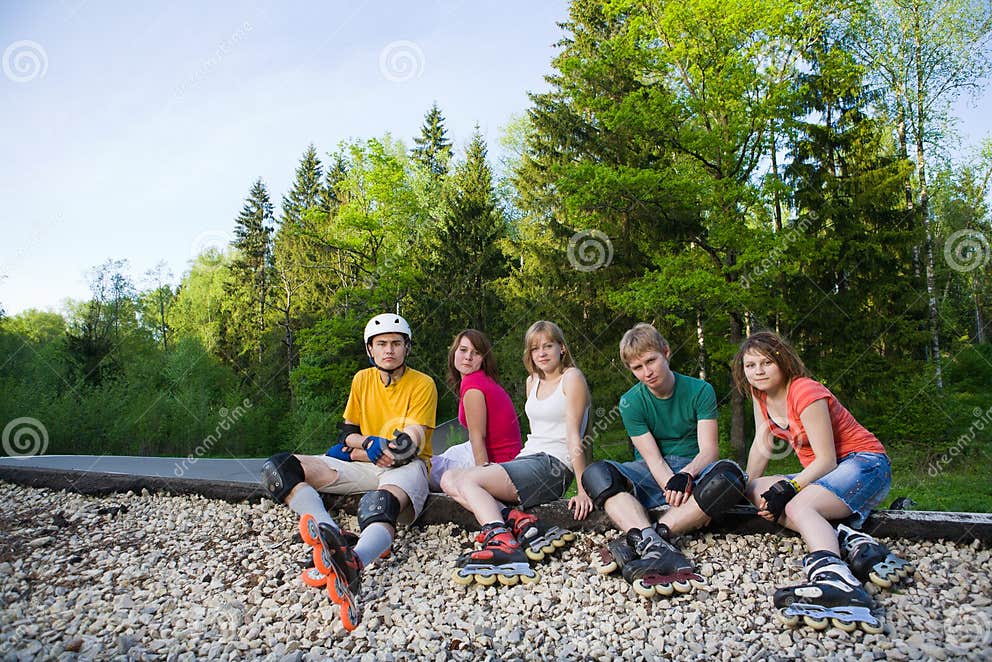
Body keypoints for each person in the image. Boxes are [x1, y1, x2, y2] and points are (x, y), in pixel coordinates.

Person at [259, 313, 437, 632]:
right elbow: (347, 433)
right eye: (381, 344)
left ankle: (355, 562)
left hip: (408, 467)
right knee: (280, 468)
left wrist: (361, 448)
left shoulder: (422, 383)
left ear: (407, 348)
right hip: (366, 462)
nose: (389, 350)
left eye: (397, 343)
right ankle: (334, 538)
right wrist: (366, 442)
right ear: (370, 349)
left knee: (378, 506)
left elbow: (408, 445)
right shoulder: (362, 379)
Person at [733, 330, 911, 633]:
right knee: (755, 489)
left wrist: (790, 488)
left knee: (799, 505)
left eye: (766, 363)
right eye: (751, 365)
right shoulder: (759, 394)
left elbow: (827, 459)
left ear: (784, 362)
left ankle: (835, 579)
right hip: (827, 474)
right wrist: (745, 484)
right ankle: (848, 538)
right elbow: (763, 442)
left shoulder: (805, 391)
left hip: (864, 464)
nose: (758, 371)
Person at [582, 323, 746, 598]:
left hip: (696, 470)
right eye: (637, 368)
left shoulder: (700, 390)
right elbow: (653, 459)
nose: (646, 372)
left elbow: (709, 450)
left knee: (731, 477)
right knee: (596, 473)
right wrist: (672, 487)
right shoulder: (630, 402)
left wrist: (688, 475)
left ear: (666, 352)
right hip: (652, 473)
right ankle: (654, 540)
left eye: (651, 361)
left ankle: (653, 537)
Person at [441, 320, 592, 585]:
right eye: (535, 349)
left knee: (468, 480)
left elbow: (574, 435)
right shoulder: (531, 381)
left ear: (562, 349)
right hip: (527, 459)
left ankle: (501, 540)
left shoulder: (572, 378)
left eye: (548, 346)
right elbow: (535, 433)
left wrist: (582, 488)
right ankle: (517, 520)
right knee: (448, 479)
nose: (542, 353)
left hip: (554, 465)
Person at [428, 329, 522, 491]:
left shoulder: (473, 387)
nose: (468, 357)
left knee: (424, 471)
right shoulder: (479, 380)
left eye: (476, 353)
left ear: (483, 359)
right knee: (439, 457)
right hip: (487, 452)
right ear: (454, 352)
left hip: (499, 461)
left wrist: (483, 481)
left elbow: (477, 437)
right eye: (463, 350)